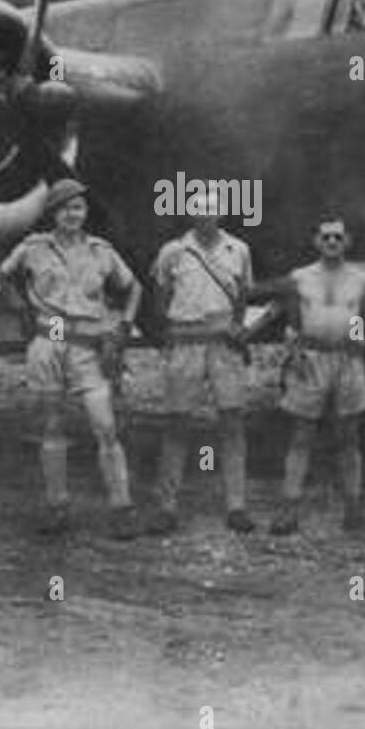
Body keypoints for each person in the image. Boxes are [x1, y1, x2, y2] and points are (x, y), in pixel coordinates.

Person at [0, 179, 141, 538]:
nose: (71, 214)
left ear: (85, 211)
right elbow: (3, 275)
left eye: (77, 207)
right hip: (49, 339)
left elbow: (133, 286)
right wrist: (19, 307)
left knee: (105, 426)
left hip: (87, 345)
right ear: (52, 214)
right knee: (52, 426)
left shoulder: (101, 251)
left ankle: (122, 507)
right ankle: (57, 506)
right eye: (64, 208)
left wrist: (124, 325)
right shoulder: (33, 248)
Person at [264, 215, 365, 535]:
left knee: (349, 437)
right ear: (316, 242)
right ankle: (289, 509)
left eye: (337, 238)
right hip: (311, 360)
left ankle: (354, 511)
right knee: (301, 436)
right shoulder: (300, 278)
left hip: (347, 360)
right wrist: (296, 350)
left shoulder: (362, 279)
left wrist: (356, 341)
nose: (332, 243)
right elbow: (293, 321)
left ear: (347, 242)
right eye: (326, 237)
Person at [148, 188, 255, 534]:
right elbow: (161, 296)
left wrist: (234, 327)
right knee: (177, 423)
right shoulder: (173, 252)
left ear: (222, 213)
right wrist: (181, 326)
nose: (206, 215)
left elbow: (242, 295)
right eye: (199, 209)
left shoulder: (238, 250)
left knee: (232, 421)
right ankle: (166, 507)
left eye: (212, 209)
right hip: (186, 341)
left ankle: (236, 506)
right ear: (190, 214)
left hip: (223, 344)